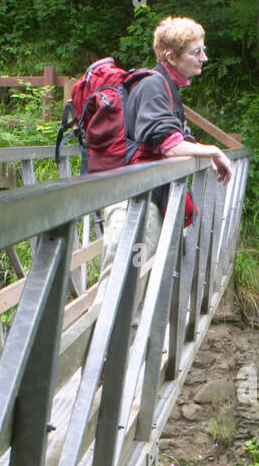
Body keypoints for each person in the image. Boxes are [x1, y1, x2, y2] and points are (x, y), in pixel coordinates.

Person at [100, 16, 234, 273]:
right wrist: (213, 151)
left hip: (143, 199)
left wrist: (204, 153)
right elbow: (169, 144)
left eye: (203, 50)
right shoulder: (153, 86)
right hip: (135, 204)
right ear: (171, 57)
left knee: (137, 290)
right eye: (196, 52)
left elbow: (175, 138)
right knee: (123, 291)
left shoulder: (164, 86)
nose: (203, 58)